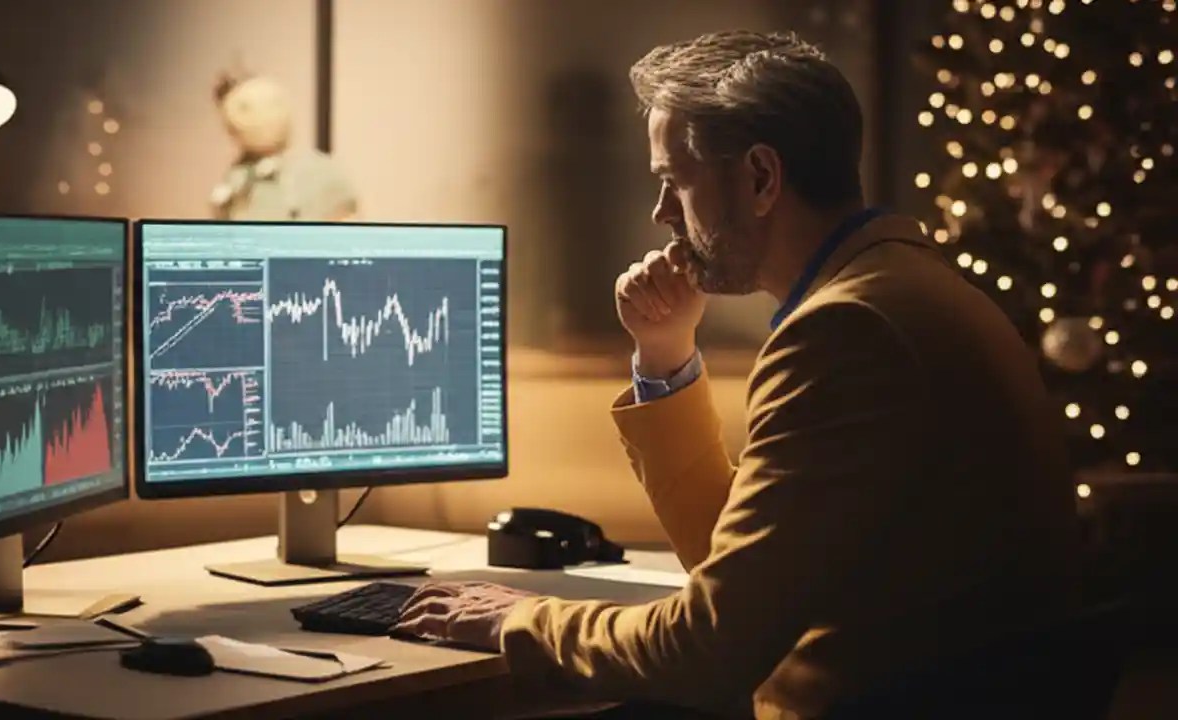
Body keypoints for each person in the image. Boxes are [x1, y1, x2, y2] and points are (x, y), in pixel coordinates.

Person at [394, 30, 1081, 719]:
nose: (662, 213)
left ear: (759, 177)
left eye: (673, 181)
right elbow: (741, 572)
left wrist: (520, 619)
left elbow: (706, 650)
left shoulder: (846, 332)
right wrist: (665, 358)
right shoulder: (901, 286)